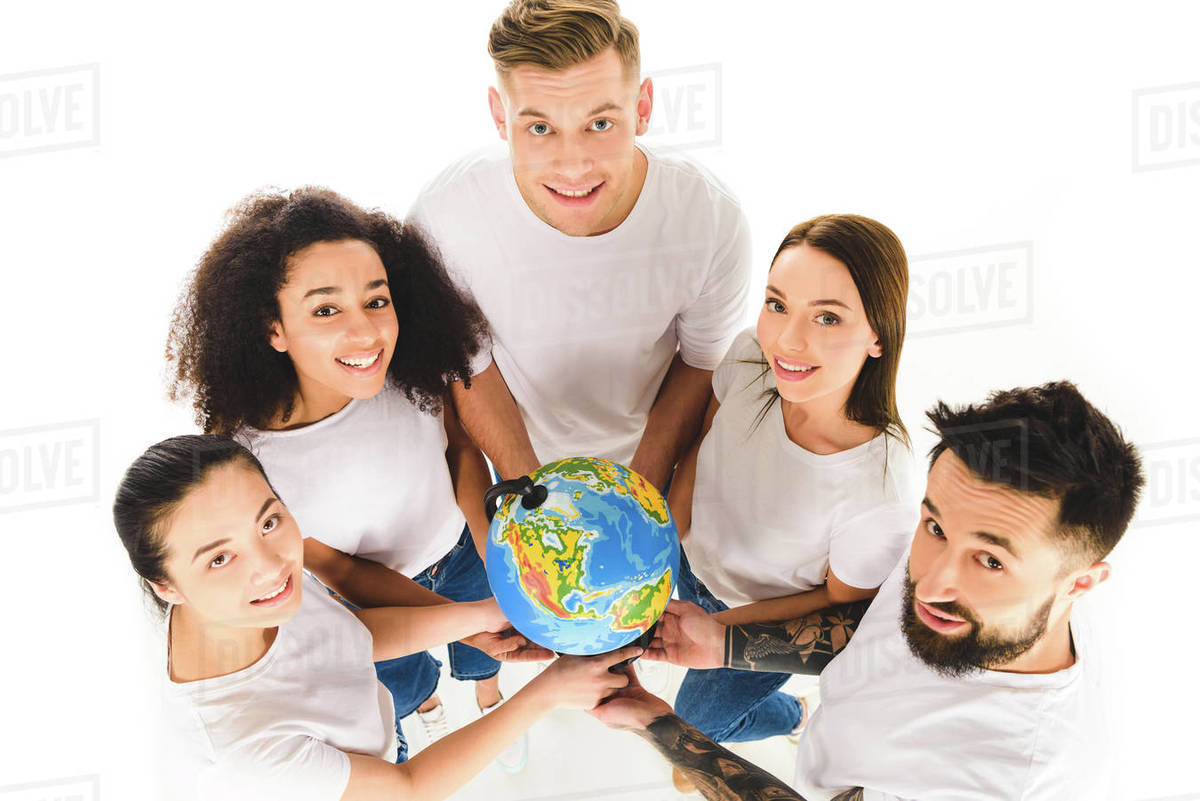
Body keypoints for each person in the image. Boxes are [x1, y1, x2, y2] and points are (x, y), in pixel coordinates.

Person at [595, 381, 1145, 800]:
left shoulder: (1010, 776)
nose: (931, 581)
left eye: (990, 560)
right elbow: (880, 627)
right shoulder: (982, 592)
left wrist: (657, 723)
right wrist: (724, 643)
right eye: (933, 527)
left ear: (1082, 582)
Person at [165, 187, 539, 764]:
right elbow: (337, 566)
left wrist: (490, 546)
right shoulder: (249, 460)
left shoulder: (407, 366)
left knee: (495, 650)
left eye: (376, 300)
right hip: (372, 597)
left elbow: (461, 453)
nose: (365, 334)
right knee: (409, 679)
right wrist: (455, 624)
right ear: (273, 329)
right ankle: (430, 710)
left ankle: (489, 698)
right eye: (324, 310)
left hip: (464, 548)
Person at [112, 434, 640, 801]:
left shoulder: (240, 603)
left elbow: (344, 640)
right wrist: (547, 693)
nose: (273, 566)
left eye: (269, 520)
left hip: (368, 744)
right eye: (220, 558)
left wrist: (480, 617)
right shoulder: (241, 754)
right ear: (165, 586)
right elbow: (407, 790)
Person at [407, 0, 752, 491]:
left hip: (648, 460)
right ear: (500, 118)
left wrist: (642, 492)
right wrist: (534, 500)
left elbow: (699, 361)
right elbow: (471, 369)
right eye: (540, 128)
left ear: (643, 108)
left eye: (600, 124)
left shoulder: (712, 219)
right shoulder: (444, 219)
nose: (573, 167)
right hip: (520, 464)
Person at [662, 214, 917, 787]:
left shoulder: (878, 490)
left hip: (750, 626)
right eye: (778, 304)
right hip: (692, 567)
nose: (788, 341)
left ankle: (792, 713)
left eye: (827, 317)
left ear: (879, 333)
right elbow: (707, 440)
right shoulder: (753, 355)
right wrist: (668, 531)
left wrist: (721, 628)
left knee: (686, 762)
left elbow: (835, 605)